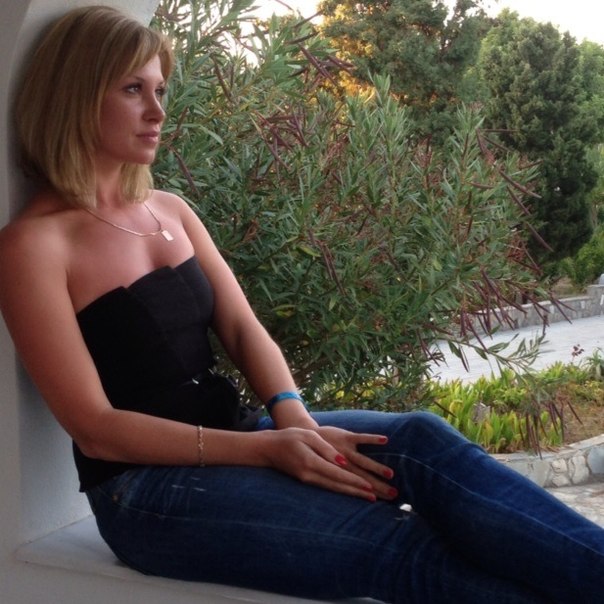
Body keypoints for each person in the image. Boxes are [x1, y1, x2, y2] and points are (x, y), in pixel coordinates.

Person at [0, 6, 602, 603]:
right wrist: (264, 450)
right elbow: (96, 429)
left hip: (242, 434)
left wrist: (293, 416)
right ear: (75, 96)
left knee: (422, 440)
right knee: (393, 544)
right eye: (133, 90)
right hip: (148, 492)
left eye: (160, 89)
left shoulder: (170, 210)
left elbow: (242, 328)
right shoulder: (34, 245)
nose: (158, 111)